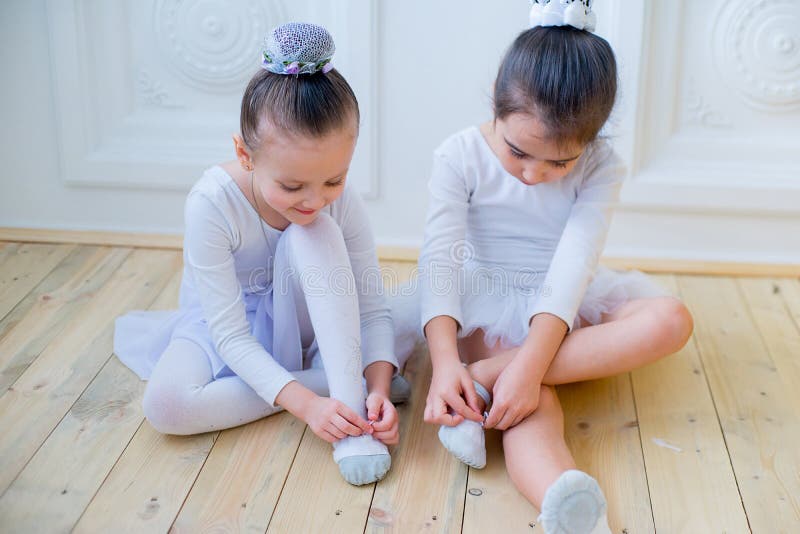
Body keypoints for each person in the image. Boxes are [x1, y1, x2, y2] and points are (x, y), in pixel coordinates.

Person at [408, 1, 694, 531]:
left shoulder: (603, 166)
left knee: (671, 319)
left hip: (564, 302)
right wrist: (444, 360)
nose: (535, 174)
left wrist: (527, 364)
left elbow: (573, 265)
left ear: (592, 138)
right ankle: (565, 498)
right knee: (533, 401)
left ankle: (488, 378)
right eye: (518, 152)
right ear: (496, 105)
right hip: (487, 299)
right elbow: (440, 261)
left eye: (559, 162)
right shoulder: (459, 156)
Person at [113, 22, 411, 486]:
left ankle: (352, 406)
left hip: (318, 315)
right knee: (165, 405)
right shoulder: (211, 204)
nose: (315, 199)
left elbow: (370, 307)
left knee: (313, 232)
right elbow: (228, 335)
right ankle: (334, 382)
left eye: (334, 179)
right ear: (244, 154)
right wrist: (309, 405)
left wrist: (375, 391)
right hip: (226, 327)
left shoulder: (335, 205)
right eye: (292, 186)